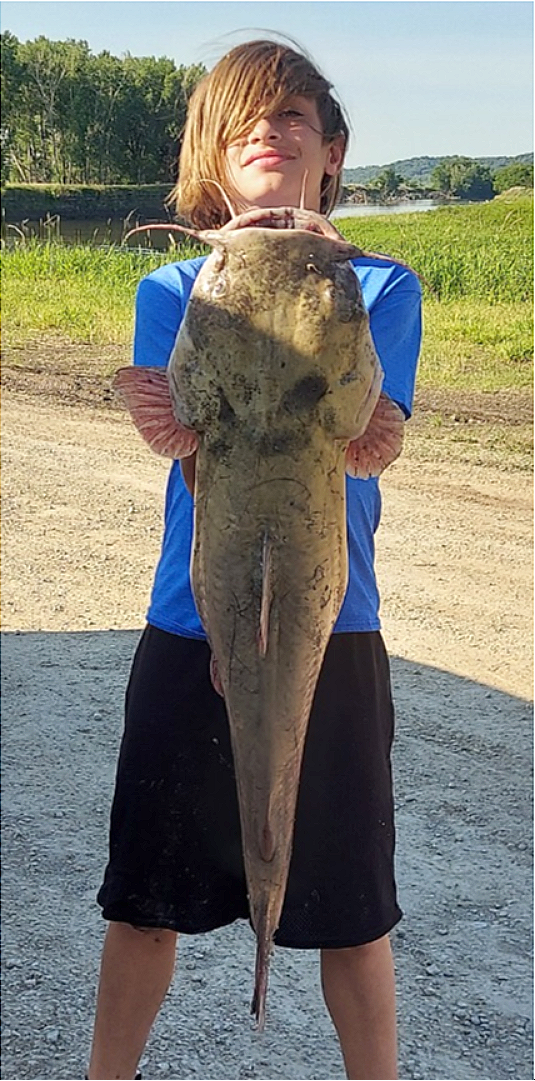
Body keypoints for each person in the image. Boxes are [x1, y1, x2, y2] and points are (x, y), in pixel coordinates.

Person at [87, 38, 421, 1081]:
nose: (270, 135)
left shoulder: (378, 284)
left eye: (294, 120)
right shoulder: (175, 285)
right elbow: (172, 420)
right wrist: (161, 411)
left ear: (332, 157)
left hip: (337, 626)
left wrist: (379, 425)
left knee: (354, 914)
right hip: (195, 625)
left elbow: (376, 431)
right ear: (211, 162)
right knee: (145, 901)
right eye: (244, 124)